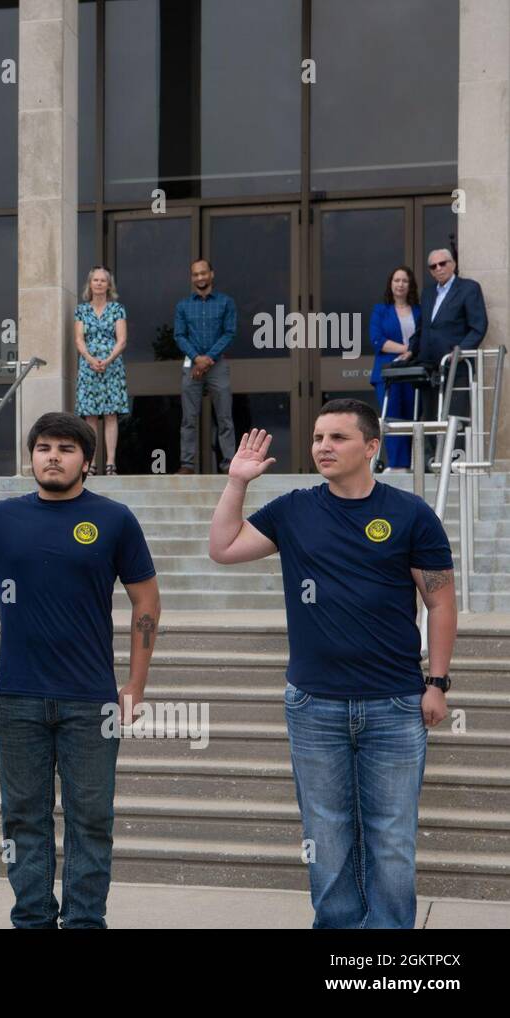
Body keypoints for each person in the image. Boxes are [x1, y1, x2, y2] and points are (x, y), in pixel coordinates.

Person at [208, 402, 455, 928]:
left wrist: (436, 681)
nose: (323, 445)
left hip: (394, 700)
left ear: (371, 447)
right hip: (314, 702)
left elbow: (439, 602)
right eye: (318, 436)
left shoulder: (410, 513)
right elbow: (223, 548)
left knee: (391, 834)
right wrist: (236, 484)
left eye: (338, 437)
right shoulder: (293, 510)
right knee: (326, 832)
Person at [0, 413, 161, 929]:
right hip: (19, 697)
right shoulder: (2, 518)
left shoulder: (114, 518)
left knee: (91, 821)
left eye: (67, 449)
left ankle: (83, 921)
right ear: (31, 456)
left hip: (89, 699)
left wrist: (135, 686)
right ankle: (31, 919)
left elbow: (146, 603)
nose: (54, 456)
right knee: (23, 818)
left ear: (87, 460)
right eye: (45, 447)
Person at [402, 248, 488, 464]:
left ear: (453, 264)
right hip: (429, 365)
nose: (439, 268)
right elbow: (423, 328)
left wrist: (461, 351)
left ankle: (454, 462)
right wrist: (411, 350)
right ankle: (433, 461)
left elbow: (478, 326)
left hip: (456, 365)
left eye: (443, 263)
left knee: (454, 414)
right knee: (430, 414)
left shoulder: (469, 288)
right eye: (433, 266)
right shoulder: (429, 293)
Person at [174, 258, 236, 474]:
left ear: (211, 274)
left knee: (224, 417)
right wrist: (196, 358)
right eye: (195, 274)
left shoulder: (226, 302)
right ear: (192, 278)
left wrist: (208, 358)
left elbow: (229, 333)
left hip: (217, 365)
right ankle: (187, 464)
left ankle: (229, 462)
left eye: (203, 273)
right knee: (188, 418)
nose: (199, 277)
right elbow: (179, 335)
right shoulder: (183, 305)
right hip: (192, 365)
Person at [74, 267, 129, 475]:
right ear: (90, 284)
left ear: (108, 285)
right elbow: (79, 339)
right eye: (95, 280)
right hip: (88, 367)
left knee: (110, 415)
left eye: (103, 280)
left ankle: (111, 463)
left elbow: (122, 340)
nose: (98, 283)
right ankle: (91, 463)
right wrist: (90, 359)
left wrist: (107, 360)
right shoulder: (81, 310)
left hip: (112, 367)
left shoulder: (117, 309)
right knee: (90, 417)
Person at [369, 266, 421, 471]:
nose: (400, 284)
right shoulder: (380, 310)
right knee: (391, 416)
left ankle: (411, 464)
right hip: (388, 372)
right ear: (390, 284)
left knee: (411, 416)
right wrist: (408, 348)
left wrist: (412, 353)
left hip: (413, 371)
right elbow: (377, 340)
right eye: (396, 280)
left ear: (410, 285)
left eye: (405, 281)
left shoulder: (418, 310)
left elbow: (425, 336)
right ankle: (397, 465)